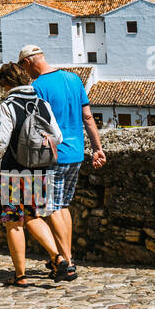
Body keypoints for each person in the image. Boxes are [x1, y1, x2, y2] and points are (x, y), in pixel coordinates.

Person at [17, 45, 107, 281]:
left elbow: (33, 127)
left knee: (52, 208)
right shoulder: (74, 78)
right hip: (76, 153)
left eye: (23, 67)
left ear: (28, 62)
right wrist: (97, 148)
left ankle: (65, 262)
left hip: (53, 156)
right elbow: (88, 116)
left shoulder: (36, 88)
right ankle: (68, 259)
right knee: (63, 206)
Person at [0, 61, 63, 287]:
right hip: (39, 171)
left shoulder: (8, 105)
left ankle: (21, 275)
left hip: (12, 173)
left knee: (13, 222)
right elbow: (58, 137)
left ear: (6, 83)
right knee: (34, 216)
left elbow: (0, 143)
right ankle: (58, 256)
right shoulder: (42, 104)